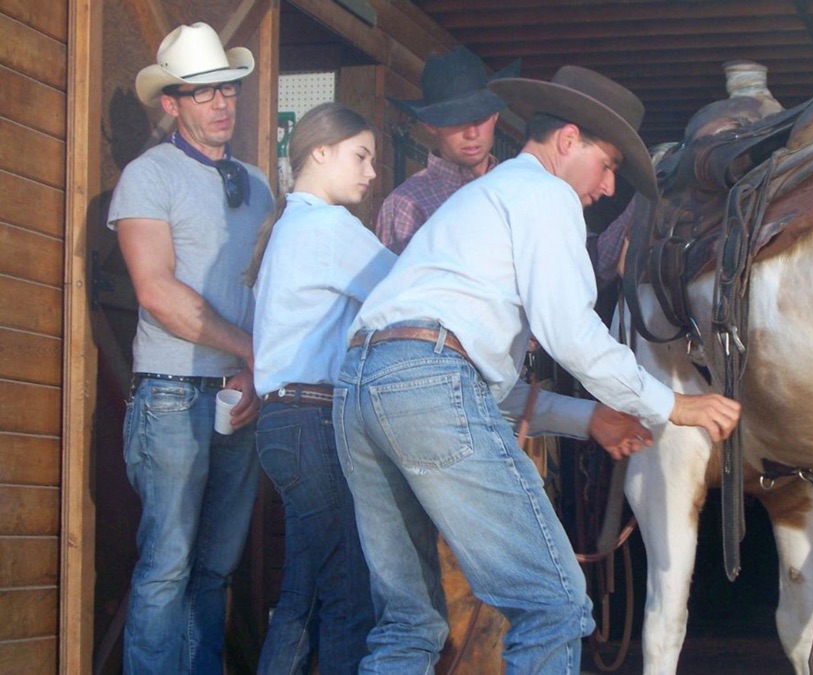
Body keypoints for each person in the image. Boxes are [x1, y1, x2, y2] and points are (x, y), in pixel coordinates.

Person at [335, 64, 742, 673]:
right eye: (606, 165)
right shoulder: (544, 193)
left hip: (360, 388)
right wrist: (672, 404)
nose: (608, 188)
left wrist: (591, 420)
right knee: (552, 603)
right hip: (429, 381)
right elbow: (569, 336)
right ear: (568, 140)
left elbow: (464, 378)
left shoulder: (478, 205)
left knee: (408, 624)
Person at [108, 22, 271, 673]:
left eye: (228, 88)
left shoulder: (258, 184)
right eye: (203, 93)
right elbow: (156, 292)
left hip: (238, 396)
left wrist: (256, 371)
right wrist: (253, 351)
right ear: (170, 103)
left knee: (215, 568)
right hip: (173, 394)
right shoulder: (148, 176)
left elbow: (264, 291)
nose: (222, 102)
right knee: (168, 566)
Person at [247, 102, 388, 674]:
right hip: (314, 424)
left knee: (301, 602)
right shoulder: (330, 228)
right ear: (320, 152)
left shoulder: (287, 228)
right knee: (349, 598)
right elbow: (408, 291)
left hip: (284, 424)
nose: (372, 172)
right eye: (362, 156)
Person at [374, 45, 519, 254]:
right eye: (456, 121)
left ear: (496, 114)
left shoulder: (517, 189)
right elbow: (400, 285)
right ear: (431, 125)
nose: (471, 133)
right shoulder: (406, 205)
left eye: (480, 118)